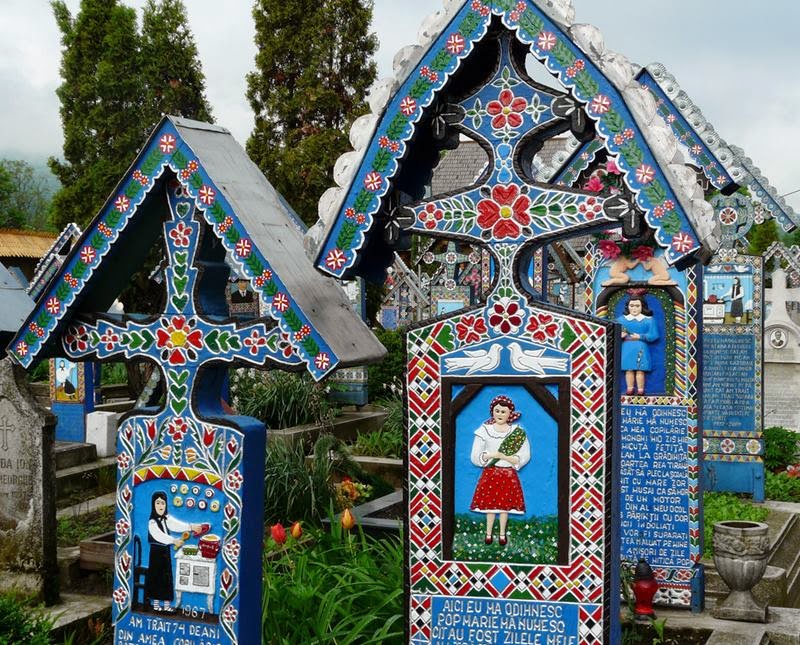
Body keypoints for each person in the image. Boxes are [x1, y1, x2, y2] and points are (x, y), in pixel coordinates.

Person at [470, 395, 530, 547]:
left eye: (503, 411)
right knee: (490, 507)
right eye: (497, 411)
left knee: (505, 507)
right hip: (491, 473)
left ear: (510, 413)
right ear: (492, 412)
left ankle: (502, 534)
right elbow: (476, 455)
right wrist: (489, 456)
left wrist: (503, 456)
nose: (500, 414)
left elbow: (524, 456)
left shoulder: (517, 432)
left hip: (508, 473)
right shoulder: (484, 430)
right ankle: (488, 533)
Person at [145, 491, 202, 613]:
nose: (161, 506)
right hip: (156, 553)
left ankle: (166, 605)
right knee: (157, 577)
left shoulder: (167, 518)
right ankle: (155, 604)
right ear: (153, 505)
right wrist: (173, 540)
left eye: (163, 503)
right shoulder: (152, 522)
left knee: (166, 578)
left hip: (165, 553)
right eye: (158, 503)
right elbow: (158, 536)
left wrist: (190, 527)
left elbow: (176, 525)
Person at [618, 293, 659, 395]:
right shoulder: (621, 320)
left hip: (640, 346)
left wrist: (641, 336)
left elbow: (654, 335)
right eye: (631, 306)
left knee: (640, 369)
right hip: (627, 347)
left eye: (637, 306)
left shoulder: (649, 320)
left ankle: (640, 389)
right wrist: (619, 335)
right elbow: (611, 332)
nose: (634, 308)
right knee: (629, 369)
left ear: (642, 306)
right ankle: (630, 388)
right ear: (628, 307)